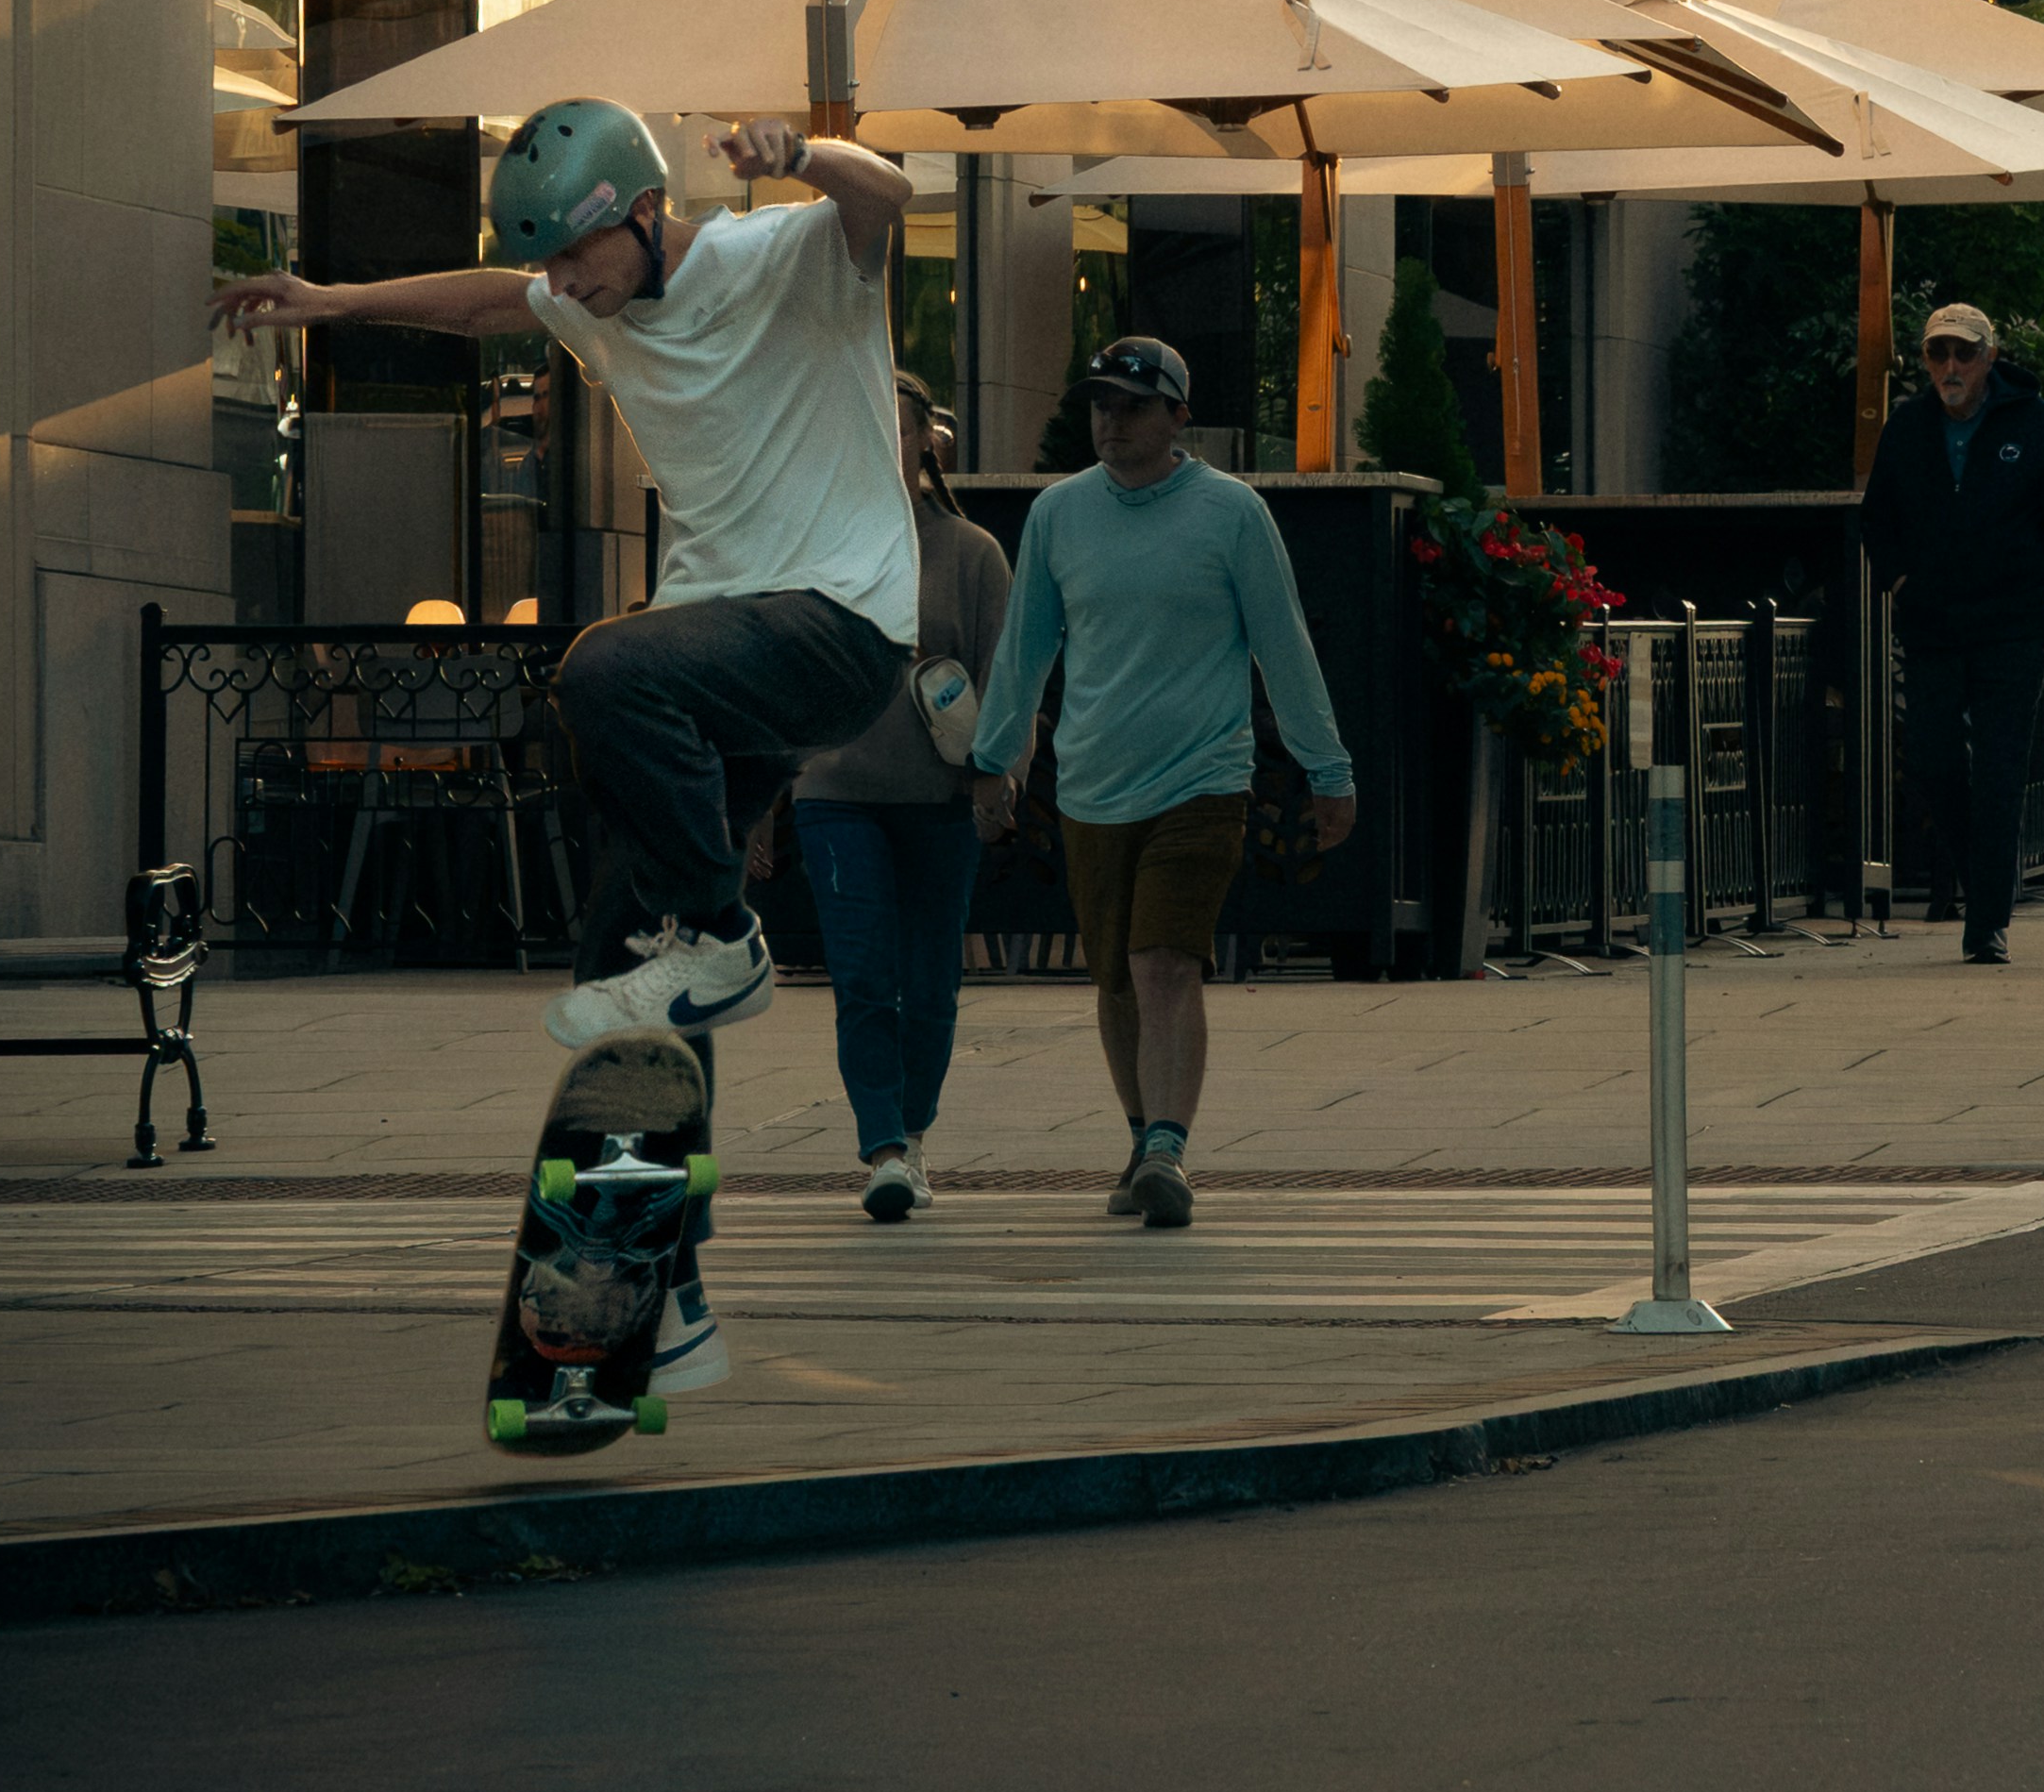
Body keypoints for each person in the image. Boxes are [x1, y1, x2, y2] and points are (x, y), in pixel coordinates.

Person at [209, 98, 913, 1074]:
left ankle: (722, 933)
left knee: (605, 673)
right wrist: (331, 301)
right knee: (626, 937)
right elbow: (484, 301)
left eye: (578, 256)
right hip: (722, 648)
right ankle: (641, 1199)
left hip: (840, 621)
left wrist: (803, 153)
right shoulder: (588, 299)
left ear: (644, 210)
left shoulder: (783, 255)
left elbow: (888, 194)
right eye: (551, 265)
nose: (566, 287)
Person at [970, 329, 1354, 1228]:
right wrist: (993, 763)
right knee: (1114, 978)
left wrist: (1326, 770)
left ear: (1179, 414)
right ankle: (1143, 1134)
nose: (1111, 423)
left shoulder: (1231, 514)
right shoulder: (1060, 515)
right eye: (1101, 405)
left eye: (1133, 406)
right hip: (1093, 784)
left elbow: (1283, 648)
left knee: (1164, 961)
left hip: (1204, 779)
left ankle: (1168, 1150)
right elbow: (1024, 650)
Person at [782, 374, 1015, 1223]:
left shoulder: (971, 553)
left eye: (897, 425)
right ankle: (880, 1142)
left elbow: (1008, 671)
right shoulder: (807, 546)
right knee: (863, 973)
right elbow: (777, 676)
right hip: (834, 791)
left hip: (939, 798)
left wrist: (1000, 772)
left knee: (931, 979)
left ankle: (914, 1134)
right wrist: (762, 790)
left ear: (929, 441)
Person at [1856, 296, 2044, 964]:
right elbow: (1878, 519)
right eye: (1939, 352)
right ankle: (1984, 872)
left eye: (1964, 352)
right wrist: (1902, 581)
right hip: (1933, 624)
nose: (1952, 365)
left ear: (1990, 356)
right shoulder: (1908, 427)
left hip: (2012, 626)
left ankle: (1986, 919)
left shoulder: (2033, 423)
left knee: (1999, 769)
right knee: (1931, 760)